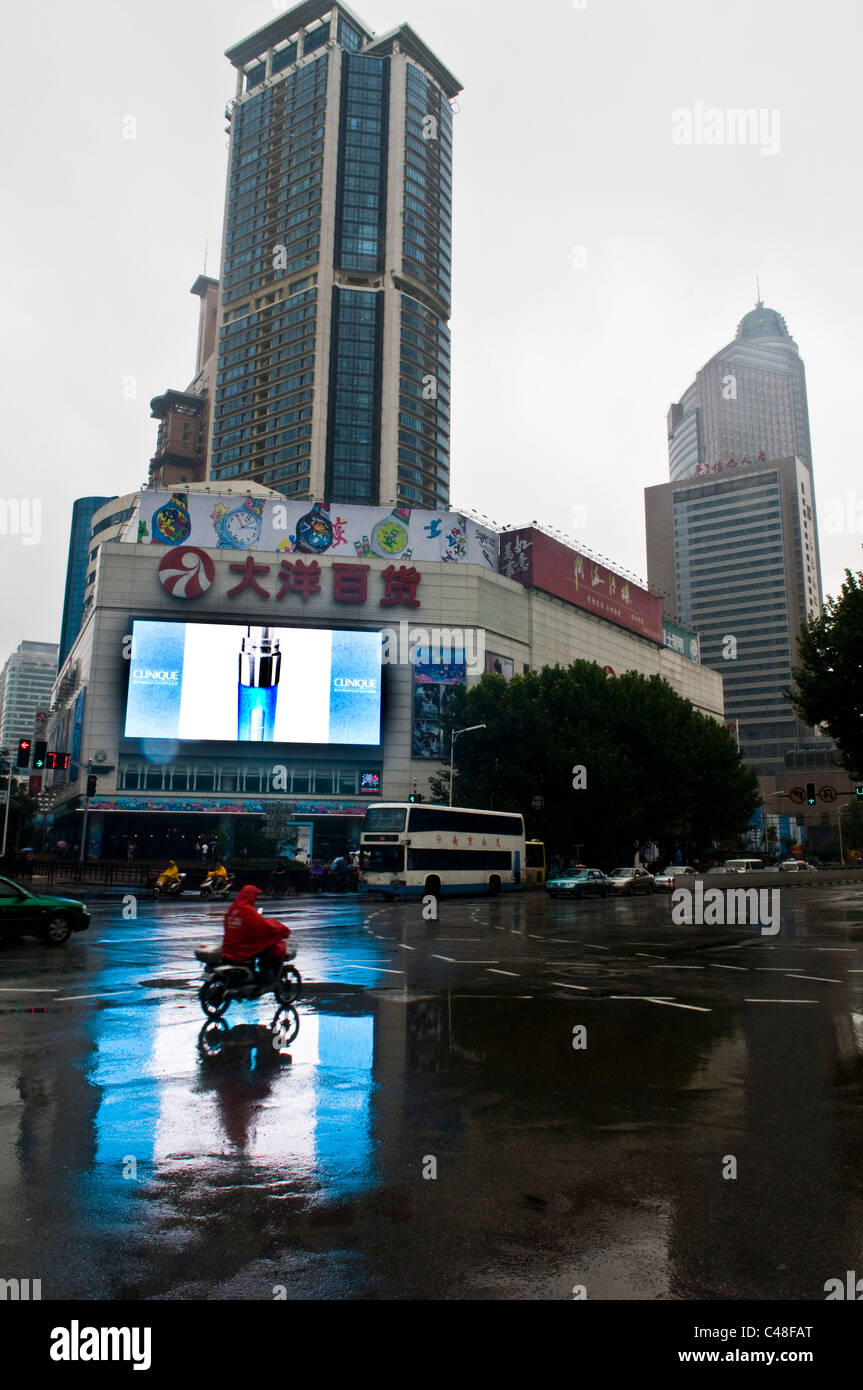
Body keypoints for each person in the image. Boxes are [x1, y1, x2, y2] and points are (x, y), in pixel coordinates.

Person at [222, 884, 291, 981]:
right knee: (267, 951)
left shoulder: (232, 908)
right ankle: (264, 978)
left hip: (228, 948)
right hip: (242, 950)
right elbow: (263, 927)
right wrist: (281, 929)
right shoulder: (248, 911)